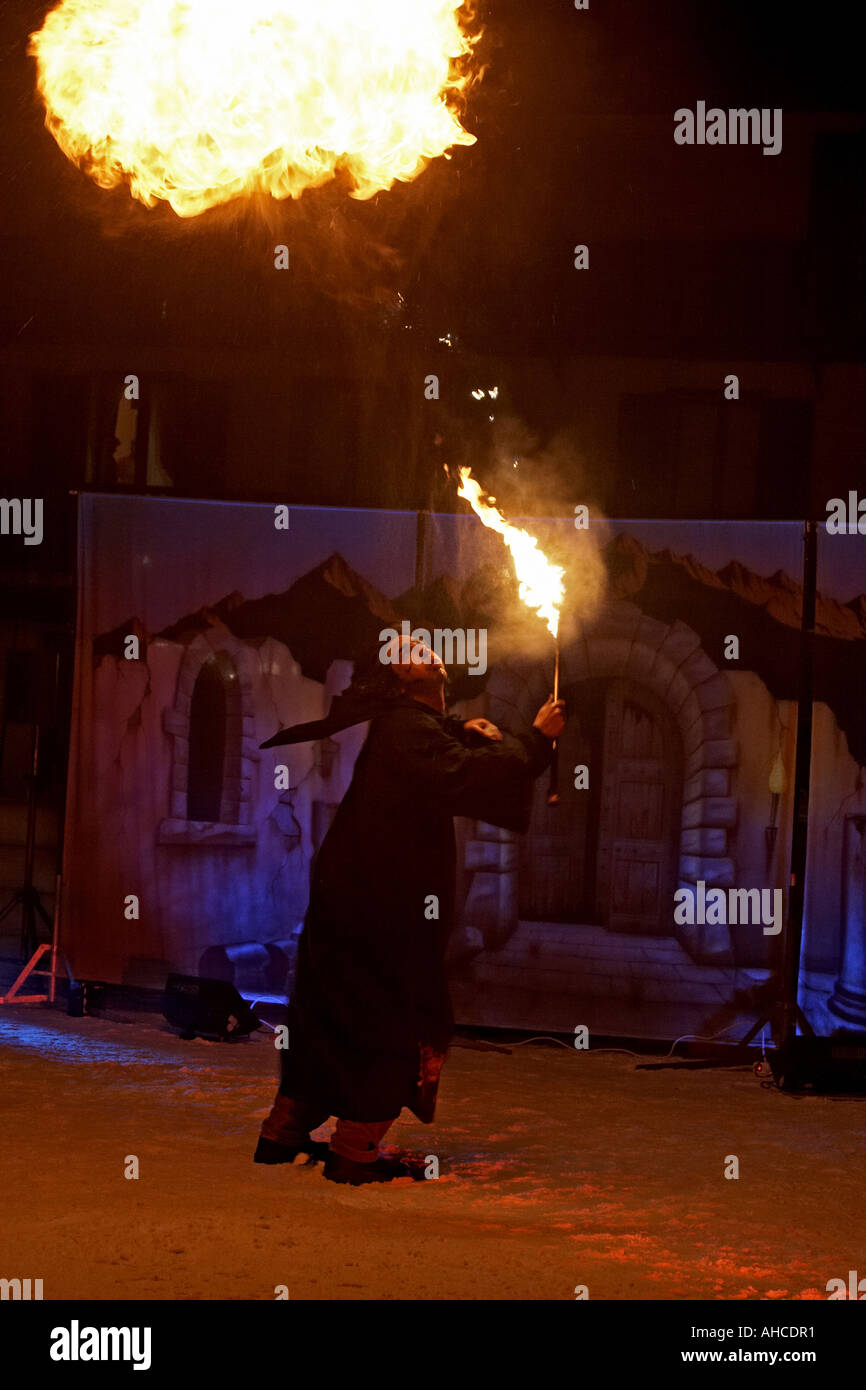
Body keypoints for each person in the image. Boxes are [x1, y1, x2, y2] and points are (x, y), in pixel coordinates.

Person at [254, 636, 565, 1185]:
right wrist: (537, 742)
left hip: (356, 897)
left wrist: (466, 732)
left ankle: (283, 1133)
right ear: (399, 679)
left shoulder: (412, 727)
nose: (424, 649)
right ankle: (355, 1149)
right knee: (390, 1014)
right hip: (380, 906)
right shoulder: (406, 728)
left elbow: (447, 759)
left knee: (330, 1011)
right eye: (409, 651)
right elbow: (461, 776)